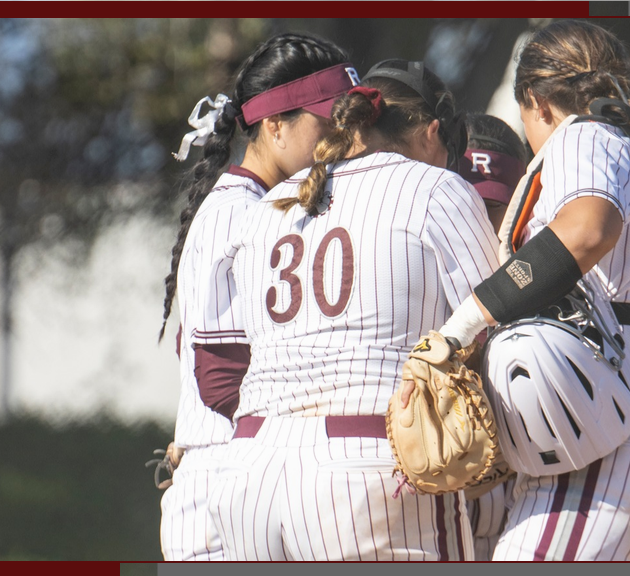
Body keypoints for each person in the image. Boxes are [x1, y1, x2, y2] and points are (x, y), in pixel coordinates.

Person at [417, 21, 630, 561]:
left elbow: (588, 229)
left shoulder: (584, 134)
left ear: (537, 100)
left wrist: (461, 326)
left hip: (604, 449)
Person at [208, 59, 499, 561]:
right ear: (432, 132)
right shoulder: (436, 187)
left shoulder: (270, 204)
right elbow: (490, 326)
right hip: (370, 462)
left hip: (248, 473)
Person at [155, 32, 356, 562]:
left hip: (241, 476)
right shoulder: (239, 213)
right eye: (327, 121)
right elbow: (220, 374)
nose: (342, 136)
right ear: (274, 125)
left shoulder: (270, 205)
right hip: (220, 484)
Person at [453, 112, 528, 562]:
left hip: (519, 519)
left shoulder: (552, 287)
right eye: (466, 207)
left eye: (493, 208)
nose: (478, 223)